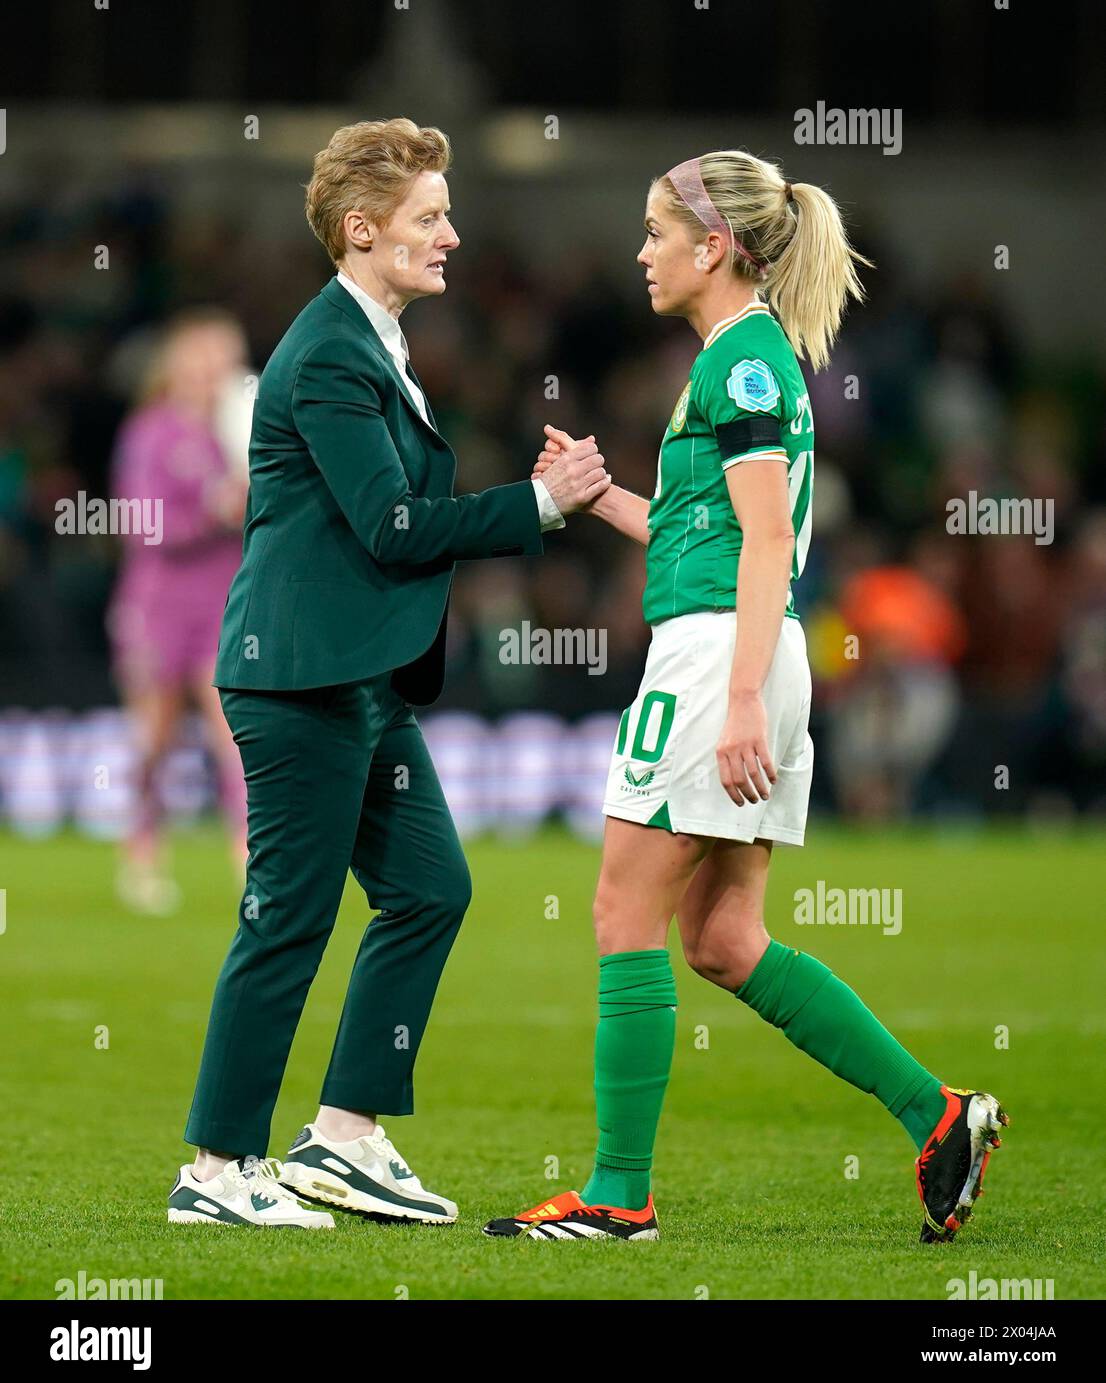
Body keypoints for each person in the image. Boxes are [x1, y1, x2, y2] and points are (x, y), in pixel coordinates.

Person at [485, 150, 1008, 1244]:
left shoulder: (744, 364)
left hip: (719, 661)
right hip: (743, 652)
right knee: (721, 938)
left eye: (652, 231)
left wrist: (730, 701)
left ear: (711, 244)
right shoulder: (737, 358)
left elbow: (769, 538)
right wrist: (598, 497)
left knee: (619, 913)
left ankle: (617, 1195)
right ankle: (938, 1113)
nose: (639, 251)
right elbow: (711, 534)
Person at [168, 119, 609, 1228]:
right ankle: (215, 1171)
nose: (452, 235)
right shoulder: (327, 350)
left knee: (429, 889)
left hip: (357, 676)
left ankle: (346, 1135)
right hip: (301, 677)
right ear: (361, 231)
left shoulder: (363, 338)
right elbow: (390, 523)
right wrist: (538, 507)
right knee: (288, 918)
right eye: (429, 217)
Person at [108, 309, 250, 913]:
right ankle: (141, 854)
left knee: (236, 738)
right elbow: (140, 524)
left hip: (223, 603)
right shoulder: (150, 432)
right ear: (178, 364)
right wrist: (214, 511)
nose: (215, 371)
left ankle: (250, 864)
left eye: (226, 359)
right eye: (204, 358)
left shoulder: (241, 429)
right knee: (155, 739)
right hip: (158, 606)